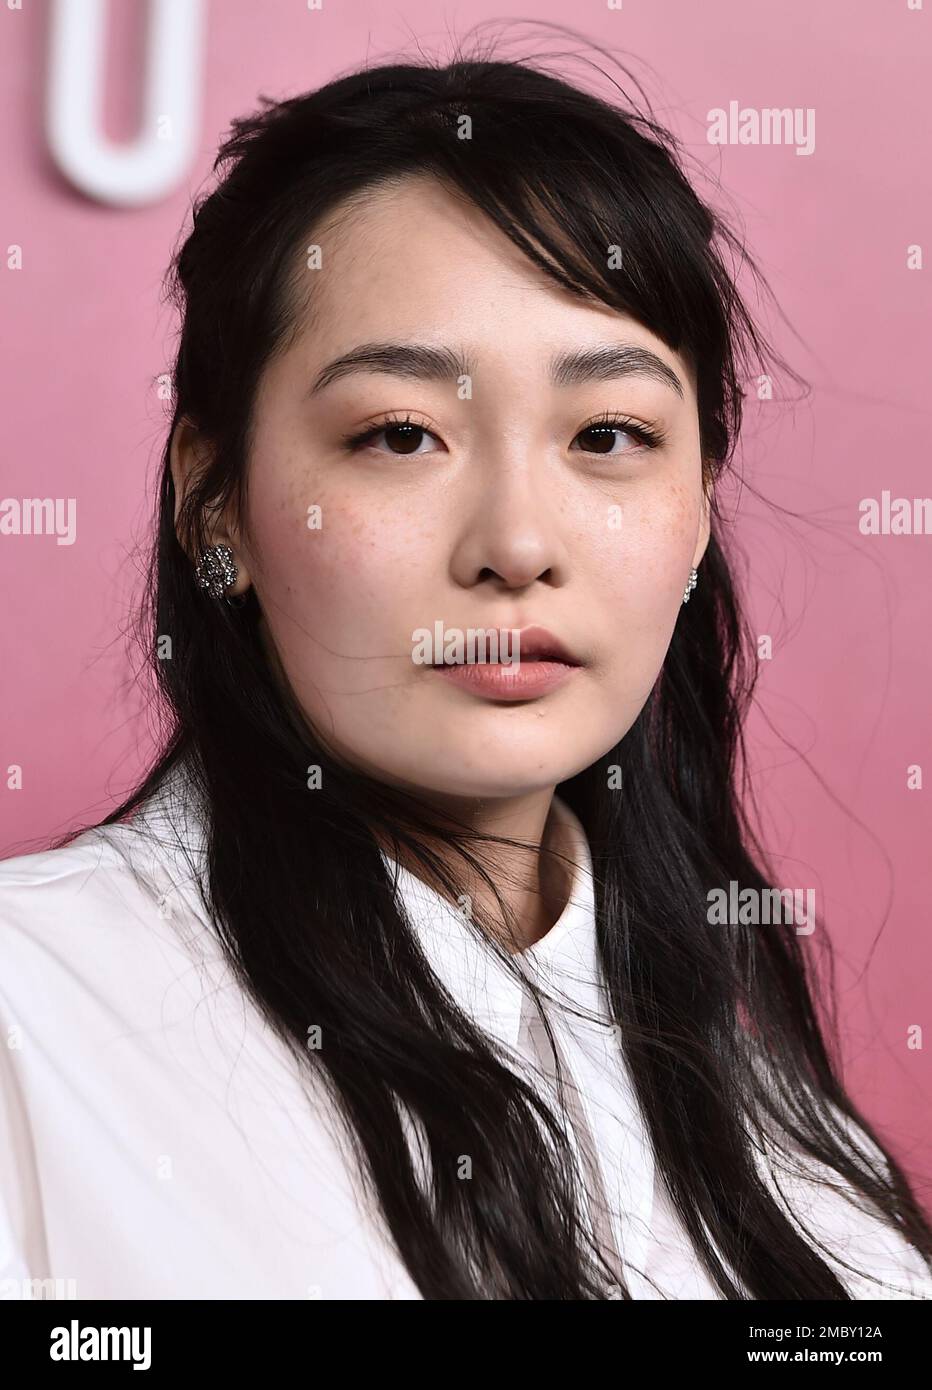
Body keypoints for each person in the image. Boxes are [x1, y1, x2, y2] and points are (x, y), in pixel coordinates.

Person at [1, 45, 930, 1301]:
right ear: (213, 498)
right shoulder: (34, 1012)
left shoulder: (768, 1108)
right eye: (399, 434)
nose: (515, 547)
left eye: (608, 435)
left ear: (698, 509)